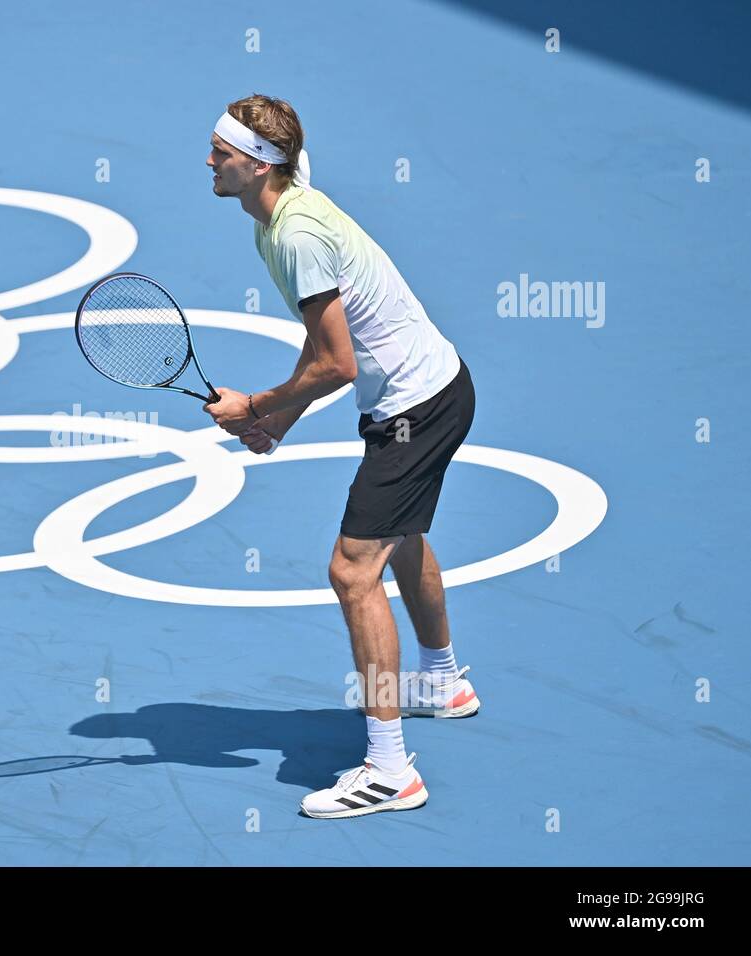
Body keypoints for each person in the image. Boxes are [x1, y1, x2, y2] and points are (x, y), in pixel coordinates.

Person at [203, 93, 479, 819]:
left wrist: (257, 406)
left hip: (414, 409)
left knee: (353, 571)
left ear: (258, 165)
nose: (208, 161)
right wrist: (284, 422)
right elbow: (325, 336)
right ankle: (443, 682)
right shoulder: (281, 204)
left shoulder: (292, 234)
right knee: (403, 536)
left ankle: (390, 770)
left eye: (221, 154)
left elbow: (339, 364)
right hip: (439, 388)